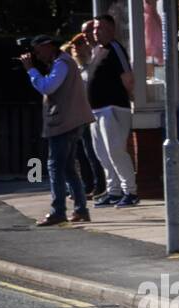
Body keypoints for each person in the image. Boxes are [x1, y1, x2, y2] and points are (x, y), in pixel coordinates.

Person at [21, 36, 94, 226]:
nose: (37, 56)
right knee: (69, 167)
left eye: (38, 51)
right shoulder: (62, 62)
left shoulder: (62, 63)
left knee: (55, 166)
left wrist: (31, 70)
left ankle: (58, 211)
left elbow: (48, 87)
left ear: (48, 46)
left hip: (64, 122)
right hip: (70, 121)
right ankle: (80, 209)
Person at [88, 14, 137, 208]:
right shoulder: (97, 50)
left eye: (100, 28)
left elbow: (128, 79)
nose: (95, 32)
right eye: (94, 28)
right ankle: (114, 191)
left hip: (113, 108)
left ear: (111, 30)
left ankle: (130, 191)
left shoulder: (115, 49)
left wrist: (127, 98)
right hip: (96, 110)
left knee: (116, 151)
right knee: (102, 153)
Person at [62, 32, 106, 198]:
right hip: (78, 116)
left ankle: (99, 185)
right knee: (82, 153)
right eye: (74, 46)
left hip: (90, 114)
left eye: (79, 44)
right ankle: (88, 185)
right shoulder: (78, 69)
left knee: (92, 152)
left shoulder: (90, 67)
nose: (75, 49)